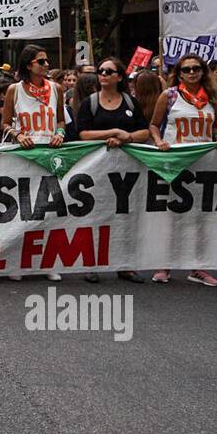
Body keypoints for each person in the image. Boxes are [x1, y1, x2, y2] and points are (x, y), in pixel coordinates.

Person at [149, 55, 217, 287]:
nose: (192, 72)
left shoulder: (213, 99)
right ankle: (164, 264)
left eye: (196, 68)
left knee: (202, 216)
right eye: (186, 69)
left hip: (205, 164)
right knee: (171, 214)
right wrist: (158, 141)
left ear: (204, 71)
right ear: (179, 73)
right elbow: (154, 124)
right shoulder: (170, 95)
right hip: (175, 163)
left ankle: (198, 267)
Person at [74, 57, 149, 284]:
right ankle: (91, 264)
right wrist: (113, 132)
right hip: (96, 169)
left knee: (124, 217)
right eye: (101, 71)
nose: (104, 75)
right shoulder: (91, 102)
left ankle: (124, 265)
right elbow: (83, 133)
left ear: (119, 76)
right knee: (94, 216)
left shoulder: (129, 101)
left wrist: (127, 138)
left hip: (125, 170)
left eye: (109, 71)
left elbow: (144, 132)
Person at [1, 44, 66, 148]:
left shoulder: (56, 88)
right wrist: (18, 135)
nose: (46, 64)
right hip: (23, 152)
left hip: (50, 150)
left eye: (47, 60)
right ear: (28, 66)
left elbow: (61, 121)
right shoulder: (14, 90)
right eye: (41, 61)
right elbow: (5, 124)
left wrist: (60, 134)